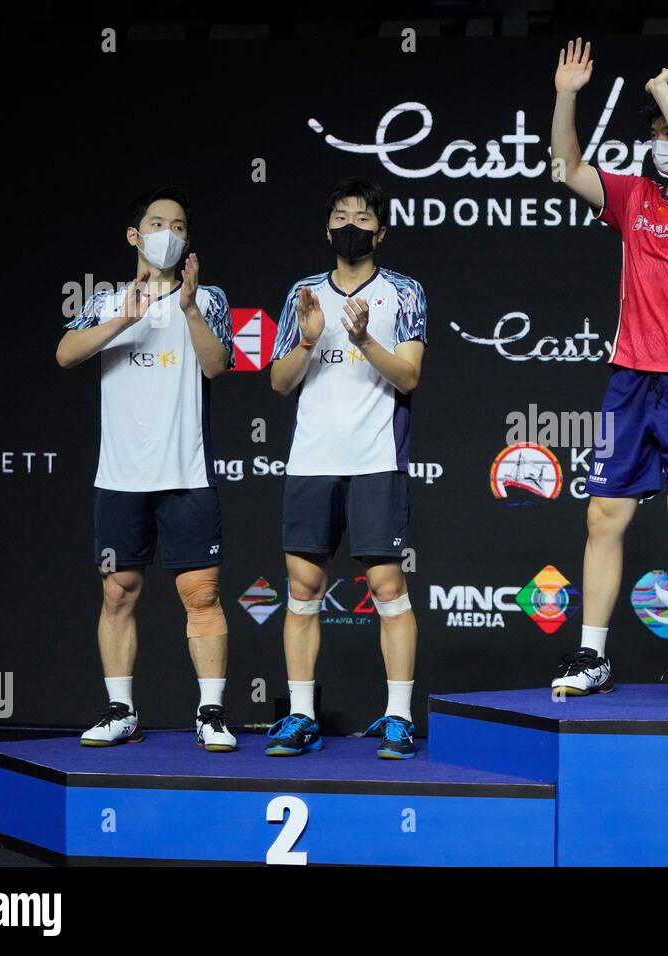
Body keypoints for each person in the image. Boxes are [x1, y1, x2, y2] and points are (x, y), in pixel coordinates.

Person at [548, 39, 668, 701]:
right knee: (604, 516)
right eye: (654, 134)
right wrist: (567, 95)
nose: (660, 145)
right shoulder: (633, 196)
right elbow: (569, 166)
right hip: (629, 378)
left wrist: (665, 94)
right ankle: (592, 655)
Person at [57, 186, 236, 750]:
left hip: (186, 474)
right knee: (118, 595)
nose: (169, 233)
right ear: (134, 236)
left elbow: (216, 366)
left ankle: (210, 713)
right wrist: (121, 323)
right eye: (158, 223)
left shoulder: (207, 299)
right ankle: (121, 710)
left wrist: (185, 309)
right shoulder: (106, 301)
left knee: (202, 596)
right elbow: (65, 354)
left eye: (180, 226)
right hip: (120, 477)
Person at [264, 178, 427, 759]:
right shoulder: (302, 295)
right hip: (312, 460)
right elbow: (280, 383)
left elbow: (408, 376)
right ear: (327, 228)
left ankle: (399, 718)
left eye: (363, 218)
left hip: (375, 459)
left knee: (387, 587)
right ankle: (301, 716)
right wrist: (308, 343)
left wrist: (362, 339)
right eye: (341, 216)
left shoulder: (404, 293)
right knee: (303, 587)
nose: (351, 225)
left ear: (380, 232)